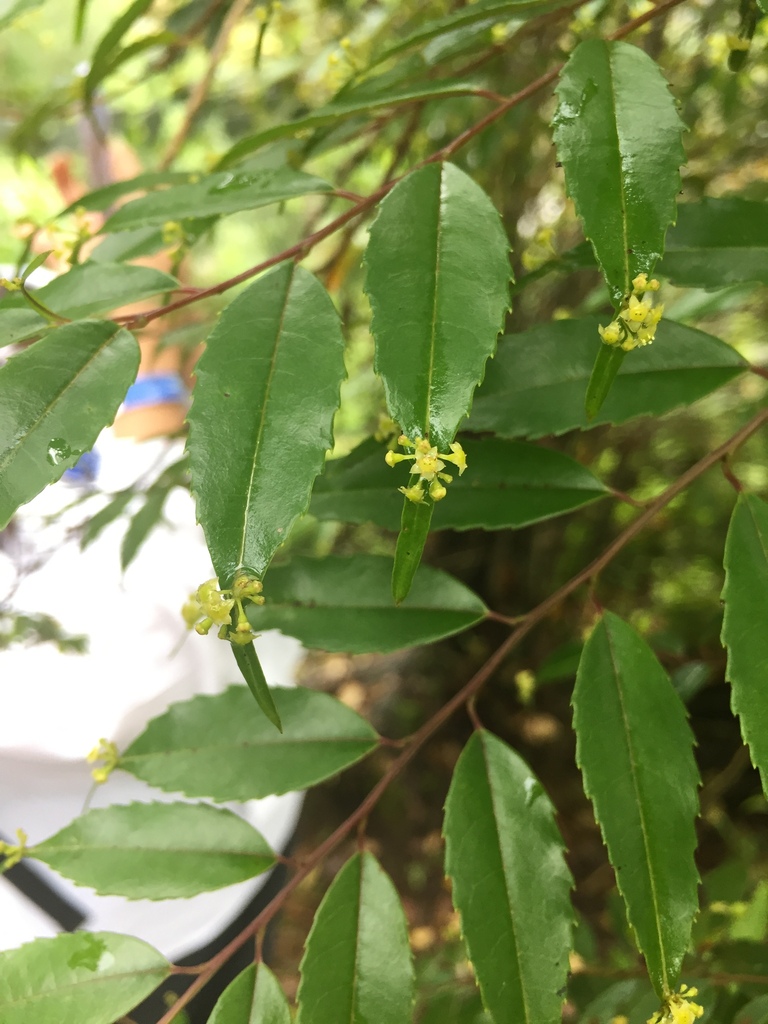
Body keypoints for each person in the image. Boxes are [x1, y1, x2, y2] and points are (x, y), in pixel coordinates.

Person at [0, 145, 304, 1021]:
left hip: (245, 834)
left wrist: (101, 295)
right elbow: (109, 681)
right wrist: (154, 391)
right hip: (106, 931)